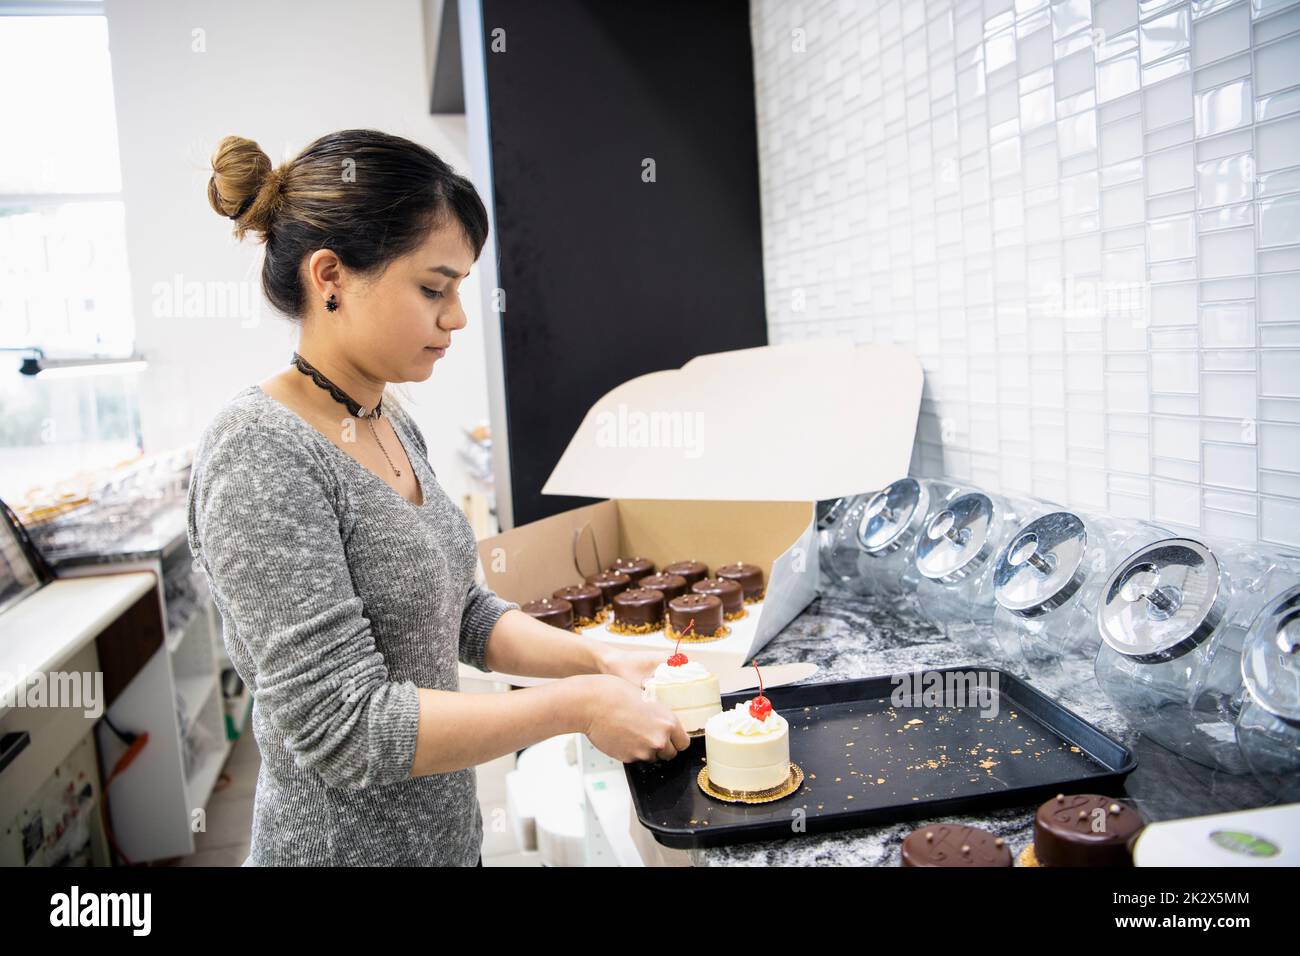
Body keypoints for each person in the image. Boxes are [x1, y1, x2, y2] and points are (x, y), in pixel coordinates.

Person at [187, 129, 687, 866]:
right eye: (433, 288)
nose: (455, 317)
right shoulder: (261, 452)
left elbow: (462, 611)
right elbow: (345, 727)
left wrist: (597, 664)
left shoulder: (386, 418)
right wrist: (576, 709)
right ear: (329, 277)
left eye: (459, 290)